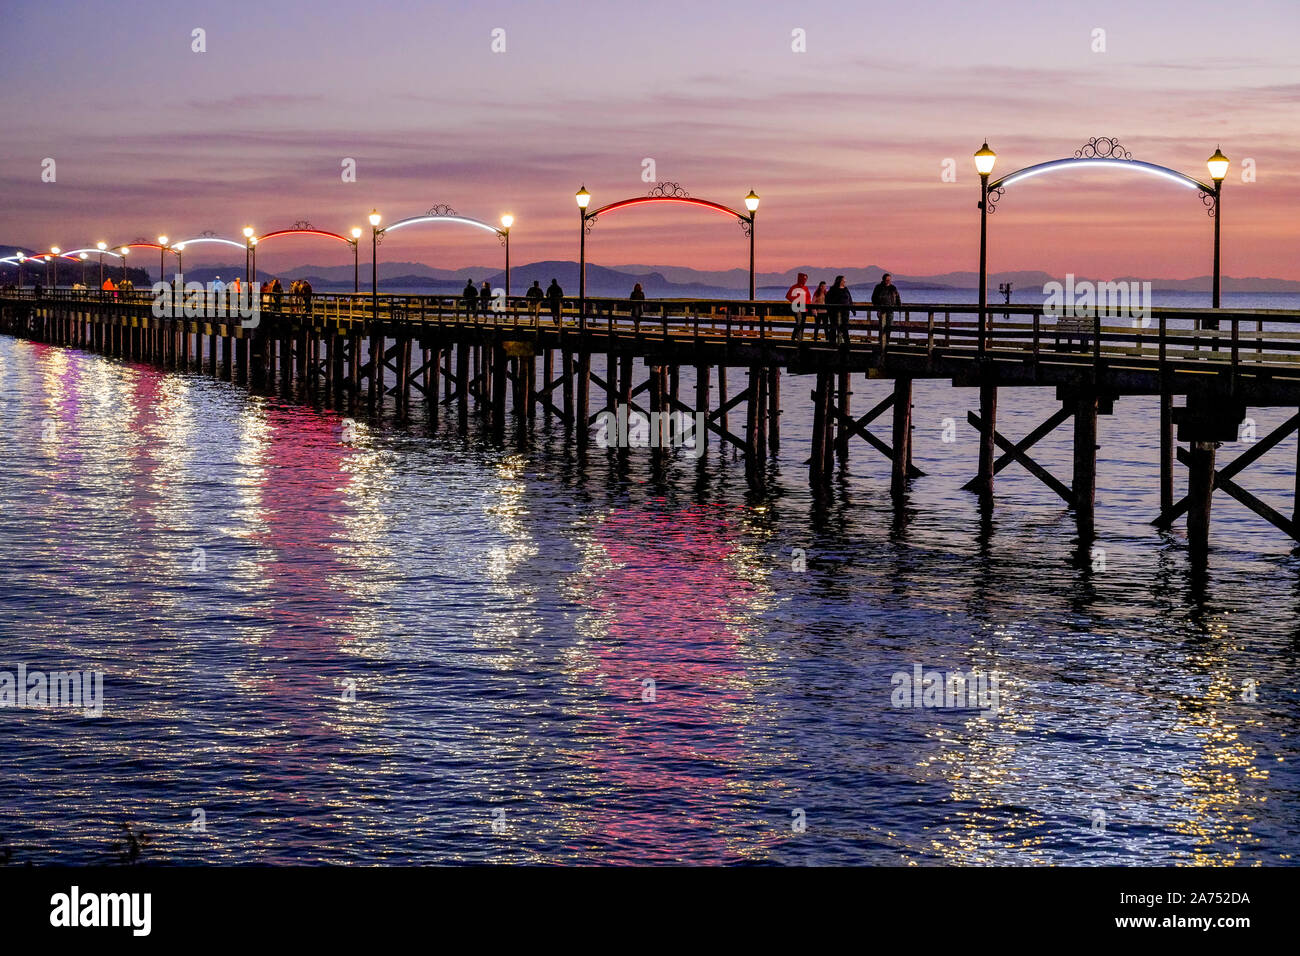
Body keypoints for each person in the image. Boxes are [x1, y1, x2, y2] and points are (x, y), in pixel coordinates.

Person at [871, 272, 902, 352]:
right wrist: (877, 307)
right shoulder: (878, 287)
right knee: (882, 327)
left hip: (891, 310)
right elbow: (873, 298)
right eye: (886, 280)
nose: (888, 281)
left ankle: (887, 342)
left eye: (889, 280)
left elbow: (897, 297)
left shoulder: (893, 288)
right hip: (881, 310)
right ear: (883, 280)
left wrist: (899, 306)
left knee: (889, 327)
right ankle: (881, 343)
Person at [825, 275, 855, 345]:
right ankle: (832, 343)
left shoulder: (846, 289)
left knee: (845, 327)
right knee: (834, 327)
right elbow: (827, 299)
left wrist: (852, 309)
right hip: (835, 312)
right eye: (844, 280)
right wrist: (829, 309)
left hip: (845, 312)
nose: (845, 282)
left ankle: (847, 343)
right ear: (840, 281)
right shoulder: (833, 289)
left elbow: (850, 299)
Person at [786, 272, 812, 341]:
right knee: (799, 323)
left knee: (802, 323)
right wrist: (795, 301)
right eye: (803, 279)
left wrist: (809, 306)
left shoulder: (805, 288)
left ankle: (800, 337)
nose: (805, 281)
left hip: (804, 308)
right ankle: (794, 337)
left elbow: (809, 298)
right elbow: (788, 296)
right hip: (796, 308)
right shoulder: (794, 287)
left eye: (806, 279)